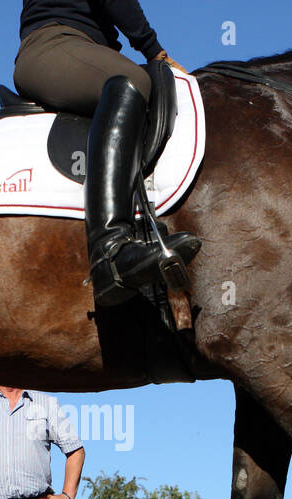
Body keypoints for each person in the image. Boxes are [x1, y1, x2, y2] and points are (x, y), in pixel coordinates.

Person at [12, 0, 200, 306]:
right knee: (132, 82)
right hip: (54, 45)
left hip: (84, 48)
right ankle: (110, 251)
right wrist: (154, 49)